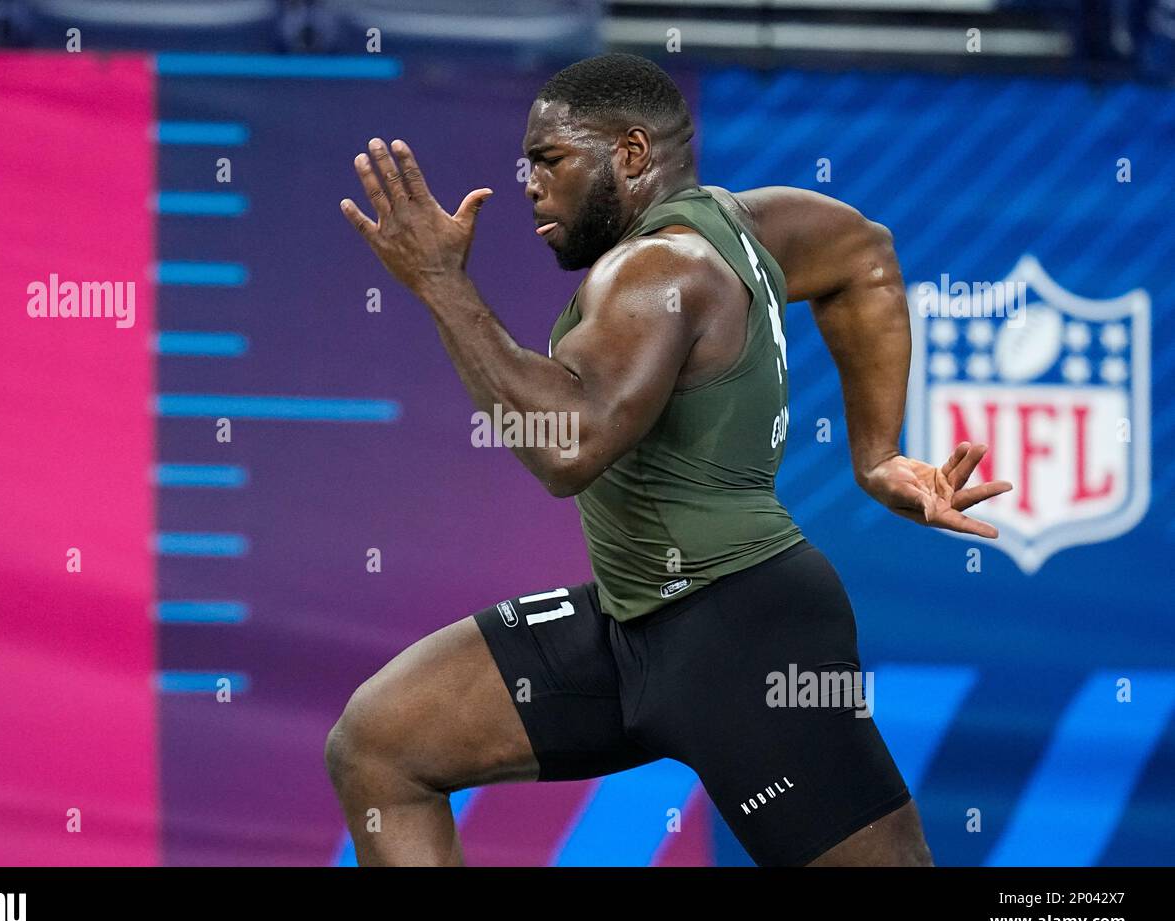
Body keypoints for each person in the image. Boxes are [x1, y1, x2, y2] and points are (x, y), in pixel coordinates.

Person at [330, 53, 1012, 866]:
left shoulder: (659, 269)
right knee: (380, 744)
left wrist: (442, 283)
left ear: (629, 152)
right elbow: (864, 254)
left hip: (744, 634)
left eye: (549, 161)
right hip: (635, 628)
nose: (528, 185)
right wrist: (875, 454)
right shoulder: (746, 226)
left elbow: (570, 448)